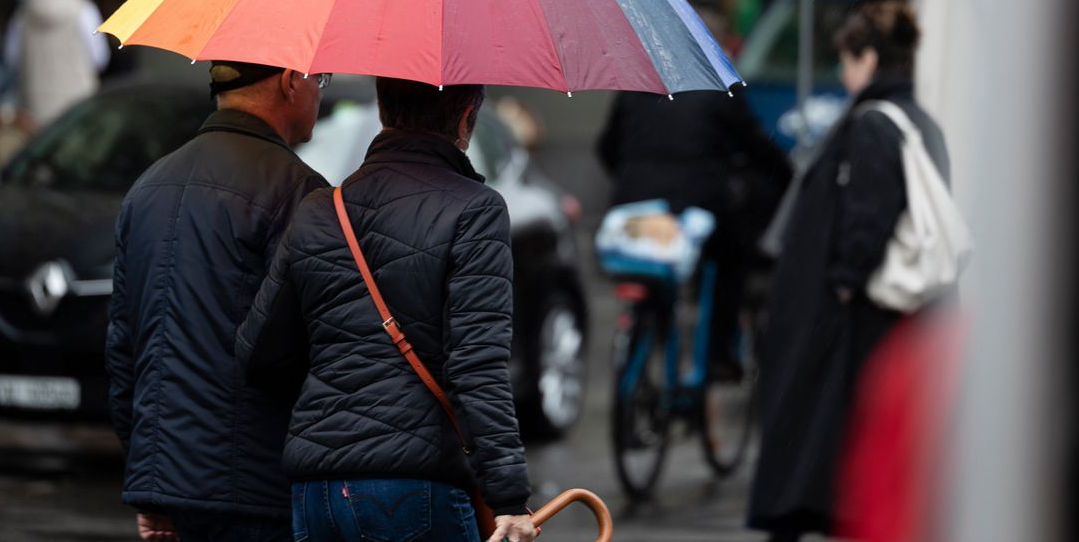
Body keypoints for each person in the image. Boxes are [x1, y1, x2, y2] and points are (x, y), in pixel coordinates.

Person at [236, 77, 535, 542]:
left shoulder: (320, 208)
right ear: (466, 117)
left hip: (317, 490)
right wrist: (509, 497)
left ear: (382, 106)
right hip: (415, 487)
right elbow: (476, 366)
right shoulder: (476, 210)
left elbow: (259, 352)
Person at [747, 0, 950, 539]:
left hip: (856, 318)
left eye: (847, 59)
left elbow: (868, 216)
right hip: (893, 317)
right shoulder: (918, 120)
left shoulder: (872, 124)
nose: (843, 73)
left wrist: (842, 280)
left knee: (823, 436)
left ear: (869, 59)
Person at [106, 61, 328, 542]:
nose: (320, 92)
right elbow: (314, 350)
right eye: (321, 79)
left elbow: (124, 353)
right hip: (260, 488)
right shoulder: (298, 192)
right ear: (291, 81)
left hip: (169, 487)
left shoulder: (147, 187)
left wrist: (150, 486)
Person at [596, 82, 792, 377]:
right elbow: (756, 145)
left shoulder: (635, 84)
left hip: (636, 205)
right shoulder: (717, 86)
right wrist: (787, 175)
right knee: (729, 259)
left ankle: (655, 331)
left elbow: (606, 148)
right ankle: (718, 353)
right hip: (696, 204)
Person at [3, 0, 109, 126]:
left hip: (34, 105)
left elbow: (12, 58)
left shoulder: (24, 10)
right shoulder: (83, 7)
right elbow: (100, 57)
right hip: (77, 105)